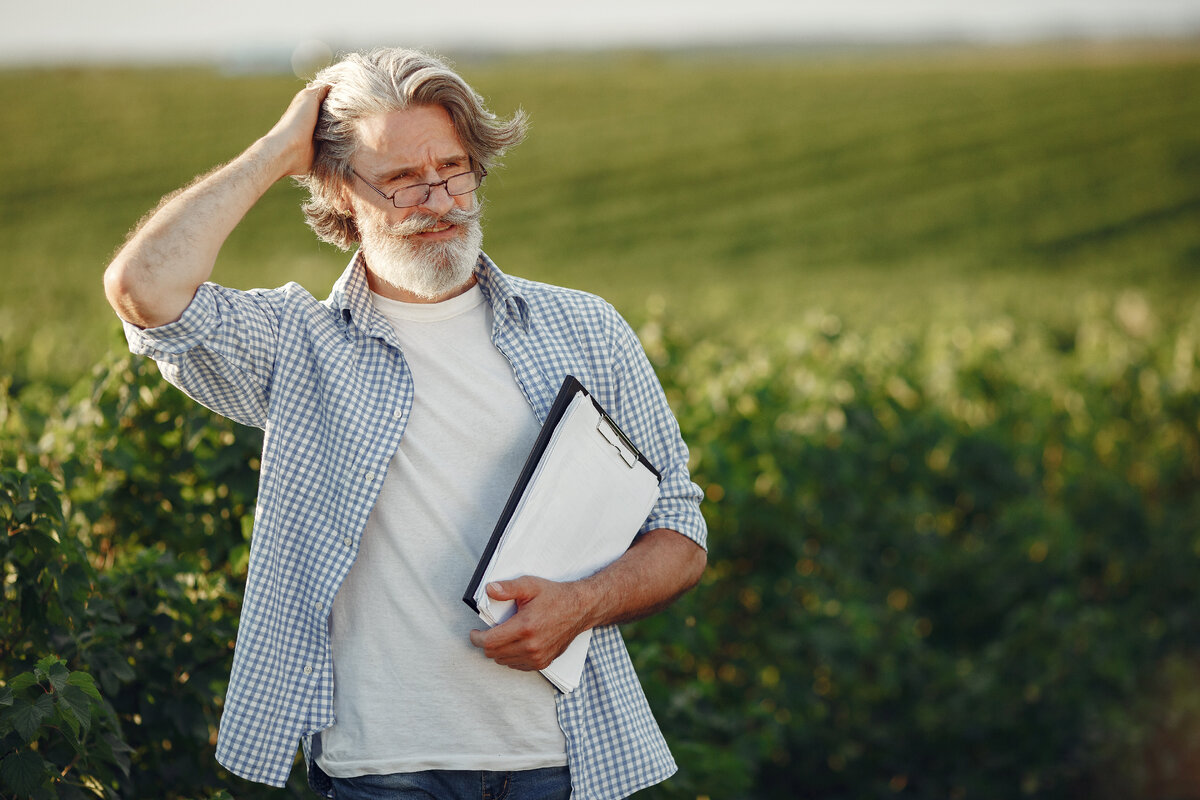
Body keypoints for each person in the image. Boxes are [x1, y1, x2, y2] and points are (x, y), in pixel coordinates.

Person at [103, 47, 707, 800]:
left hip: (562, 761)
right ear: (339, 192)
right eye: (400, 179)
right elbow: (143, 290)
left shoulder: (584, 328)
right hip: (378, 769)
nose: (439, 199)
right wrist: (277, 151)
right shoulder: (298, 346)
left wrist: (581, 606)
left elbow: (679, 531)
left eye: (454, 169)